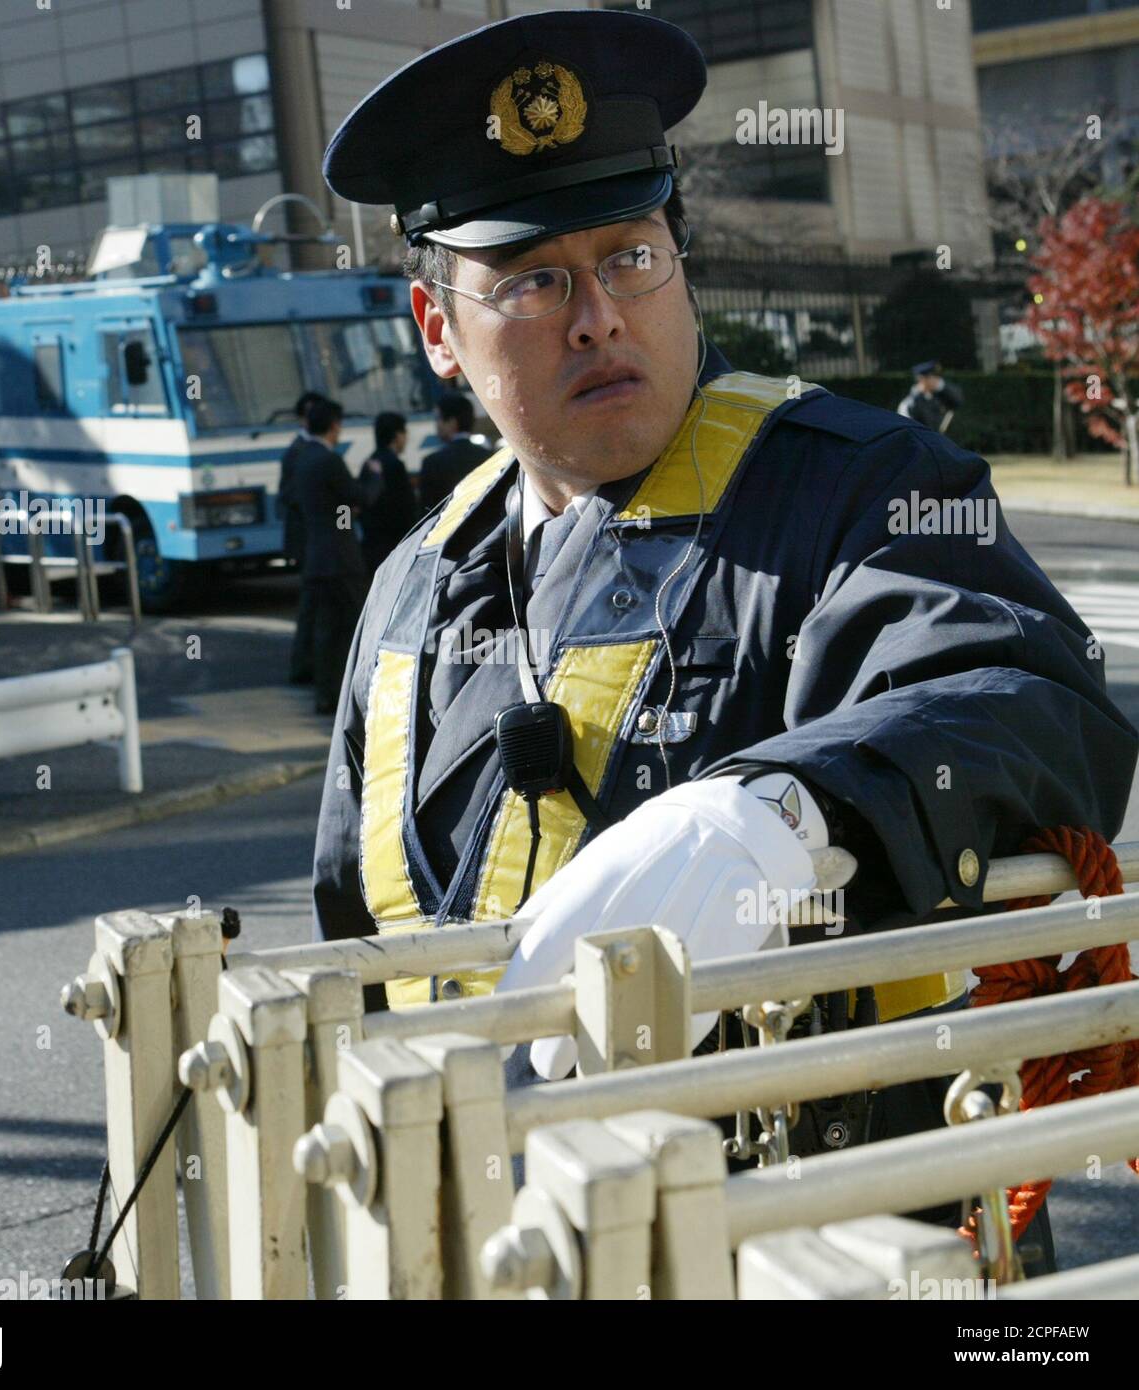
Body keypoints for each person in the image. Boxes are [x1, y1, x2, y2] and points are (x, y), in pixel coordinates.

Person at [312, 9, 1137, 1270]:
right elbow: (353, 930)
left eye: (630, 256)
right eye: (533, 279)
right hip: (488, 1246)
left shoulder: (857, 487)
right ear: (437, 332)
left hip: (836, 1246)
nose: (596, 315)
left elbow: (1025, 693)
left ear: (680, 266)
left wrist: (782, 809)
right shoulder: (412, 587)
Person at [286, 398, 383, 713]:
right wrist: (374, 475)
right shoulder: (330, 461)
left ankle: (325, 695)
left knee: (326, 630)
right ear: (334, 426)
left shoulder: (302, 458)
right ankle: (364, 691)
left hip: (317, 555)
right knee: (359, 624)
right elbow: (361, 496)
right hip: (340, 557)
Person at [282, 391, 327, 685]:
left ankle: (305, 664)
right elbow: (288, 495)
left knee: (313, 606)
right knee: (311, 607)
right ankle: (303, 665)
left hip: (316, 541)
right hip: (307, 539)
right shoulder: (298, 451)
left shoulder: (311, 448)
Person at [360, 411, 419, 573]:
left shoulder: (369, 462)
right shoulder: (395, 465)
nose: (406, 438)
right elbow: (406, 507)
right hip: (394, 544)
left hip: (373, 543)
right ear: (397, 435)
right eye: (404, 433)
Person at [418, 391, 493, 512]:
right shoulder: (490, 457)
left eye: (439, 418)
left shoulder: (432, 462)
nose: (437, 424)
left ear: (452, 422)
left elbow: (427, 512)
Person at [897, 359, 964, 433]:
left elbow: (958, 400)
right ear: (922, 379)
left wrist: (942, 386)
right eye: (932, 377)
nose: (937, 380)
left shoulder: (939, 396)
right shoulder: (910, 402)